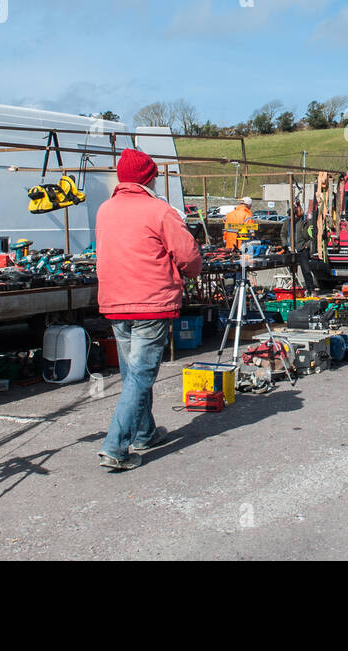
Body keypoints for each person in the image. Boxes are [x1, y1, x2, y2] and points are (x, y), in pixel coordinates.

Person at [96, 149, 203, 471]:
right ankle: (115, 446)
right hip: (150, 302)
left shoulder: (105, 209)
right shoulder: (159, 210)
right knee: (141, 374)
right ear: (149, 177)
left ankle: (144, 433)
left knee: (132, 373)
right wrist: (189, 270)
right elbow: (189, 258)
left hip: (115, 301)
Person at [280, 200, 316, 294]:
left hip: (302, 249)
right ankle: (293, 288)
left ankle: (311, 289)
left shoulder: (304, 222)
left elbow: (312, 235)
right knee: (291, 271)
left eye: (293, 215)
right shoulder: (287, 223)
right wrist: (284, 244)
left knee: (306, 271)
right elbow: (283, 234)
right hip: (290, 249)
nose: (292, 217)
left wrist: (307, 245)